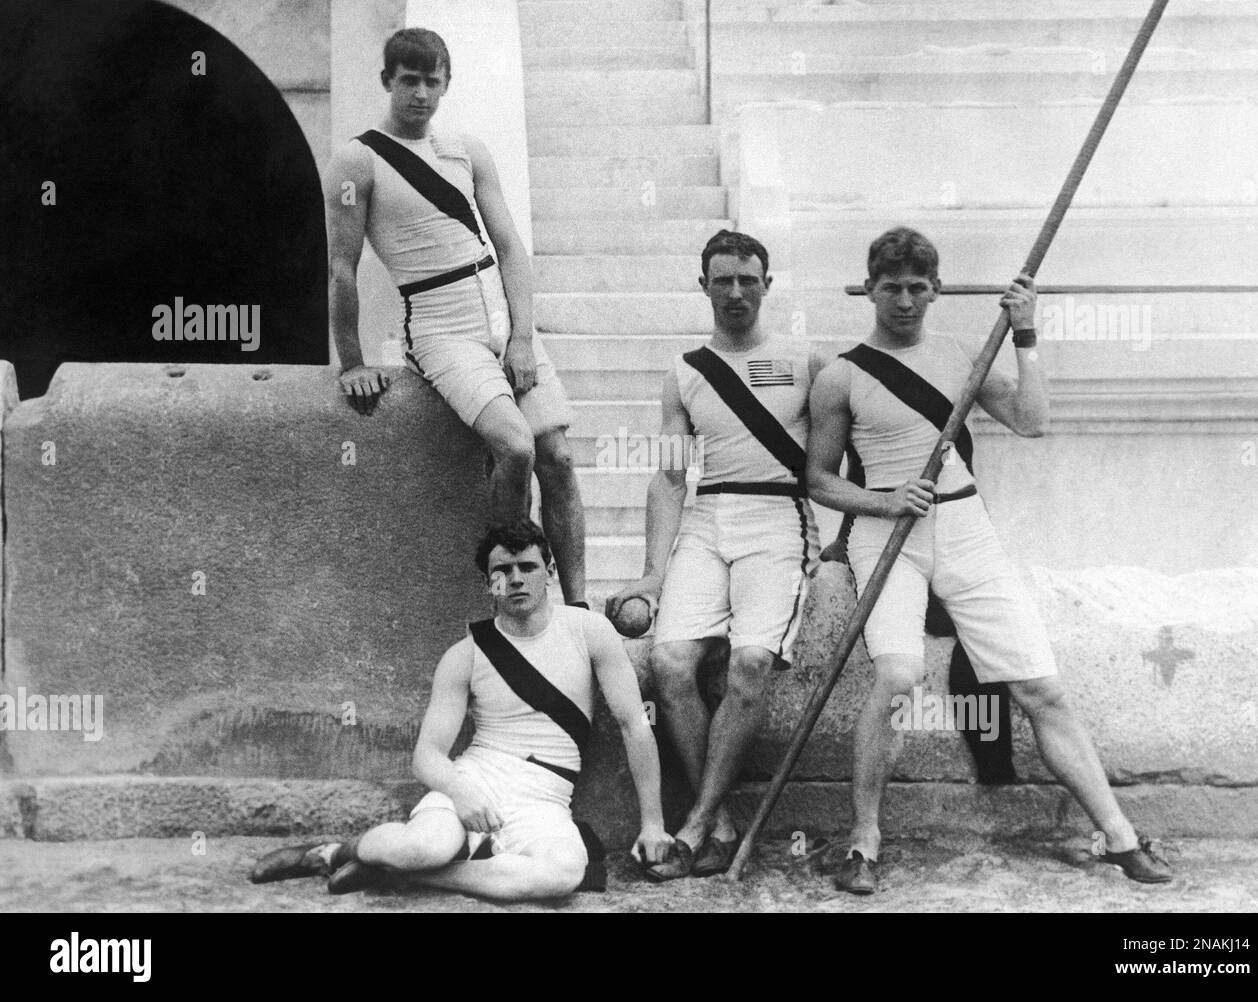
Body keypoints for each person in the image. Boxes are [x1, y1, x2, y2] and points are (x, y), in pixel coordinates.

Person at [806, 226, 1173, 894]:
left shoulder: (960, 358)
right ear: (870, 289)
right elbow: (819, 480)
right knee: (897, 678)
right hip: (887, 535)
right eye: (892, 288)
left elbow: (1032, 421)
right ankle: (863, 841)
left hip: (965, 525)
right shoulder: (842, 375)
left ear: (937, 289)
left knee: (1041, 687)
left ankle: (1118, 833)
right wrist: (885, 502)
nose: (906, 301)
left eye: (919, 288)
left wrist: (1026, 335)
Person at [251, 520, 674, 901]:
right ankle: (329, 853)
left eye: (527, 568)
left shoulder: (589, 632)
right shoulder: (465, 654)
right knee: (421, 847)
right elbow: (427, 755)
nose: (515, 580)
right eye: (501, 572)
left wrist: (652, 823)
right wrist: (461, 791)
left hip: (545, 796)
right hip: (476, 777)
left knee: (563, 873)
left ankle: (408, 878)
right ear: (487, 583)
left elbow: (635, 725)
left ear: (550, 573)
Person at [322, 28, 587, 605]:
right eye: (409, 80)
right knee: (515, 447)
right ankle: (509, 588)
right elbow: (342, 268)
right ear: (387, 80)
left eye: (431, 81)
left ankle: (578, 606)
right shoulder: (356, 159)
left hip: (500, 315)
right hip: (440, 327)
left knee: (559, 458)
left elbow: (511, 248)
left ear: (446, 84)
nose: (420, 93)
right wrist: (352, 362)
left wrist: (521, 336)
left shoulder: (466, 149)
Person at [606, 230, 828, 879]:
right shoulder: (685, 373)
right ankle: (722, 823)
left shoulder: (804, 361)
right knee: (672, 661)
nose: (736, 292)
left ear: (767, 284)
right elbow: (672, 477)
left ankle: (697, 823)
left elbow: (843, 452)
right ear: (703, 285)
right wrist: (654, 568)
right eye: (723, 280)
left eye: (748, 279)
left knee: (751, 663)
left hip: (778, 517)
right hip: (709, 517)